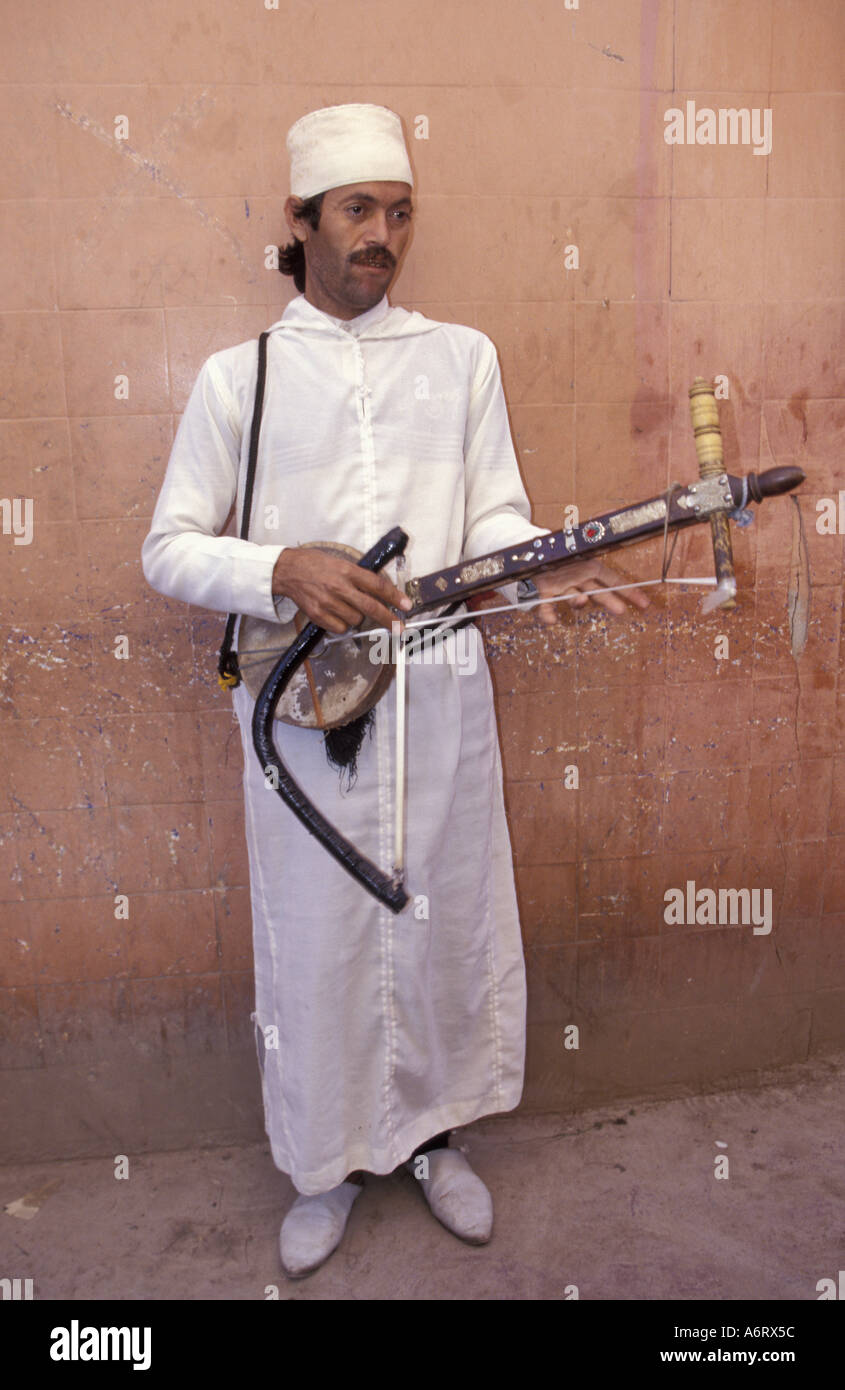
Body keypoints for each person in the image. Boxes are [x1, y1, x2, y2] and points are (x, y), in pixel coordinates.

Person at [142, 103, 648, 1279]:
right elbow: (167, 548)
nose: (382, 234)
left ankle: (434, 1142)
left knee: (440, 927)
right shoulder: (240, 379)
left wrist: (545, 567)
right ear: (301, 221)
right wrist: (280, 567)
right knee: (317, 947)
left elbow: (494, 523)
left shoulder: (460, 358)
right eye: (358, 211)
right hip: (303, 719)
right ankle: (322, 1167)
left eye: (399, 212)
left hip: (440, 704)